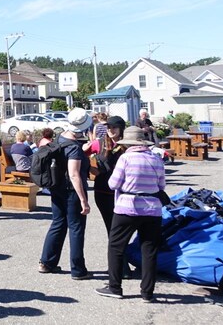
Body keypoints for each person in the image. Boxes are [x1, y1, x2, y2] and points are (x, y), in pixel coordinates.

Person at [95, 127, 167, 302]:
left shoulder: (125, 158)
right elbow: (162, 186)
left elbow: (113, 184)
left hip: (128, 206)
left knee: (116, 246)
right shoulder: (156, 159)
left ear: (128, 144)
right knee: (149, 250)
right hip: (152, 208)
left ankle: (115, 287)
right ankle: (147, 292)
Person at [39, 107, 92, 280]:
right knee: (76, 228)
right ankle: (78, 269)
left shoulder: (60, 138)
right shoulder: (74, 148)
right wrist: (84, 200)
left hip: (57, 188)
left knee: (58, 224)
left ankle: (47, 262)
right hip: (71, 191)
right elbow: (74, 175)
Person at [90, 116, 127, 234]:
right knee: (111, 226)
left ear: (121, 129)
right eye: (108, 127)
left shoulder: (128, 144)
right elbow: (81, 158)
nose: (110, 130)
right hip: (103, 191)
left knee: (124, 227)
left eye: (114, 127)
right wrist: (90, 169)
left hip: (124, 191)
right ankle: (116, 251)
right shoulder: (98, 143)